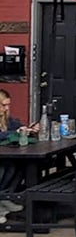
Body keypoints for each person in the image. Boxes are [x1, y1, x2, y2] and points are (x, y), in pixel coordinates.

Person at [0, 89, 38, 223]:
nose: (6, 109)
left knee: (17, 165)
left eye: (8, 105)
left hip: (6, 156)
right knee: (5, 168)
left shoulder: (6, 118)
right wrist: (13, 133)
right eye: (3, 105)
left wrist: (28, 128)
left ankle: (4, 198)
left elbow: (17, 125)